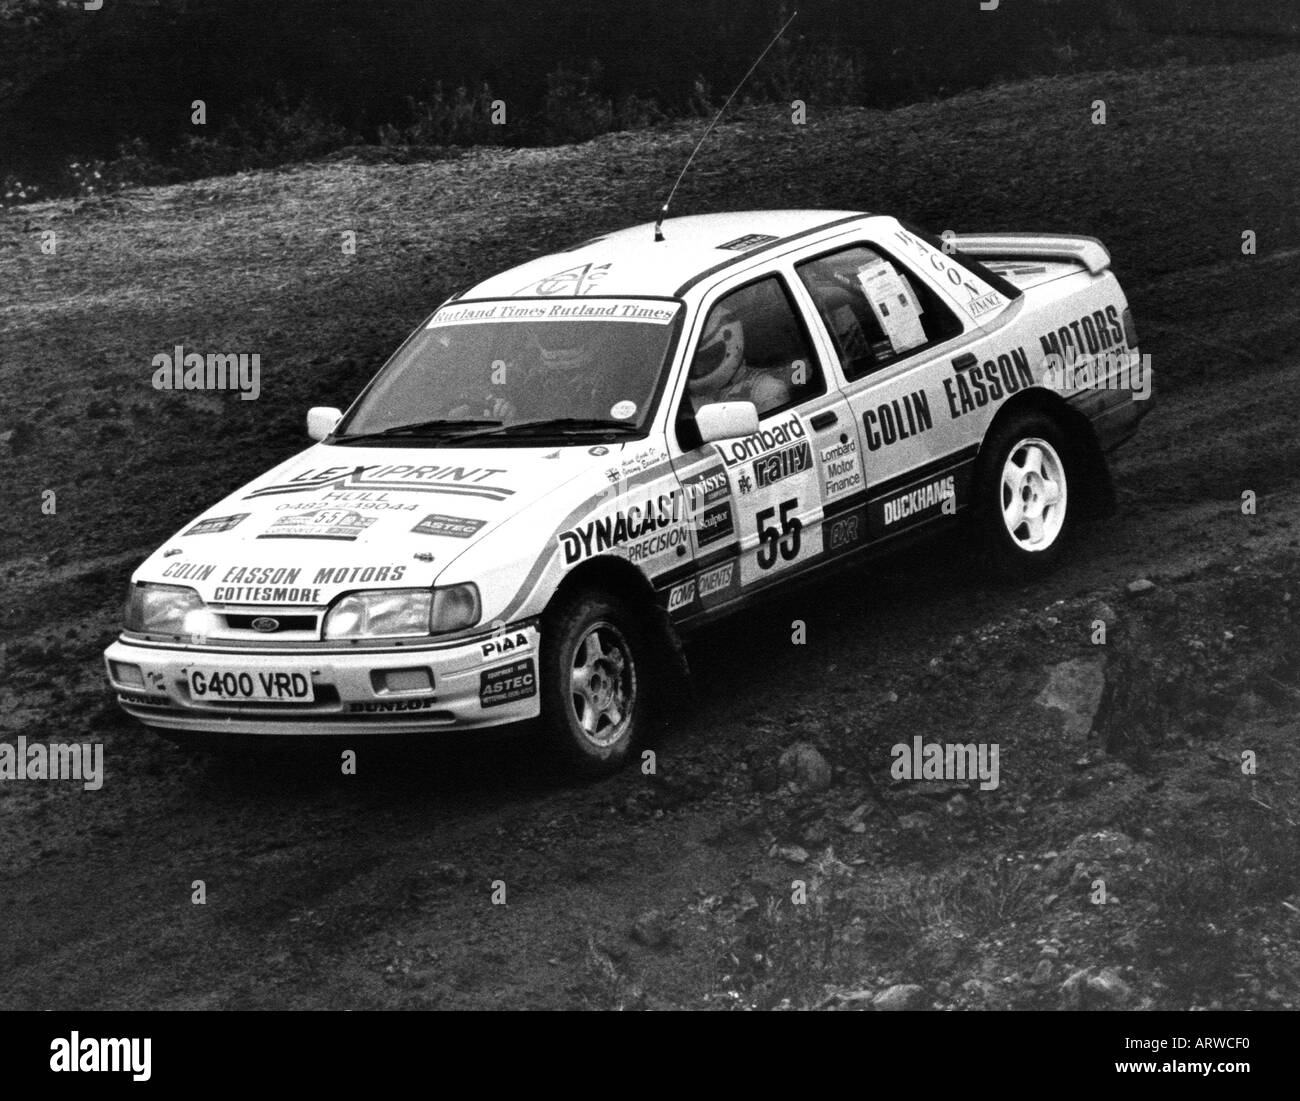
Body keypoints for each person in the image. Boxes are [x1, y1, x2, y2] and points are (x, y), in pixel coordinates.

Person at [686, 306, 790, 414]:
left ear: (731, 345)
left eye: (709, 356)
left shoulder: (766, 391)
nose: (700, 368)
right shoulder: (687, 396)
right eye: (696, 361)